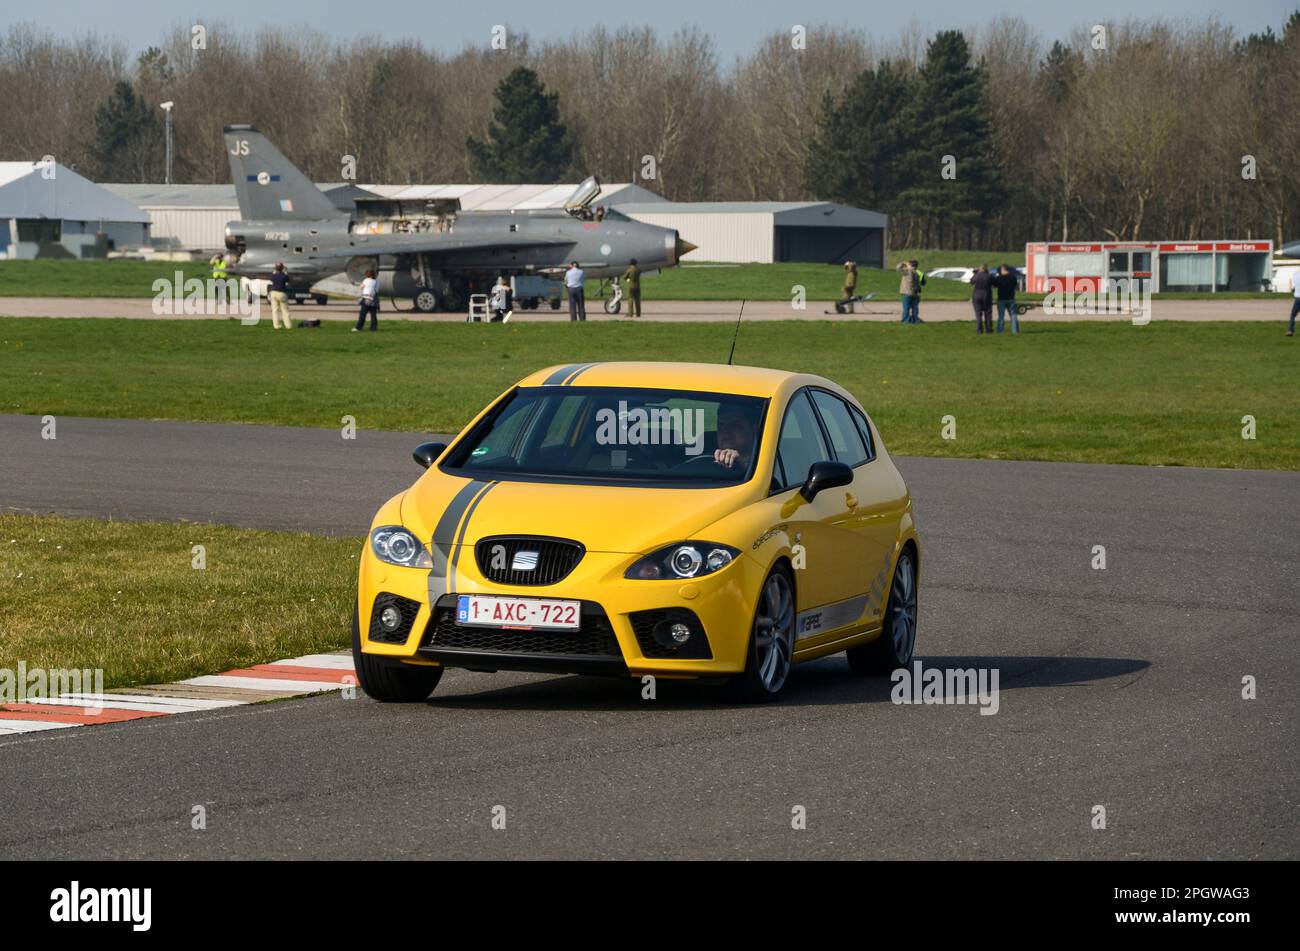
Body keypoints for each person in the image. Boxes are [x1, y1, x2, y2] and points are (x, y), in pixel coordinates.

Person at [713, 405, 757, 470]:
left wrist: (741, 461)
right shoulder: (704, 456)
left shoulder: (767, 459)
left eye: (735, 425)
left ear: (754, 429)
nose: (725, 430)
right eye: (721, 425)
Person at [993, 264, 1019, 333]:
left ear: (1003, 269)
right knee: (1013, 315)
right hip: (1011, 298)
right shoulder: (1013, 277)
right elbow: (1016, 286)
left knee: (1001, 315)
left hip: (1001, 299)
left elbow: (995, 285)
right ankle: (1015, 330)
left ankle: (1000, 330)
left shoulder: (999, 278)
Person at [971, 264, 994, 335]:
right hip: (987, 295)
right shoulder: (989, 276)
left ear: (980, 269)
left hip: (977, 296)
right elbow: (995, 283)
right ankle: (988, 329)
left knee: (978, 314)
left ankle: (979, 330)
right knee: (988, 313)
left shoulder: (977, 275)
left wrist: (976, 273)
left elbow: (971, 282)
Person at [268, 263, 292, 330]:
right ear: (282, 268)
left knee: (275, 310)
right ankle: (288, 325)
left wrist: (274, 271)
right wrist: (285, 272)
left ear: (276, 268)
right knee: (285, 310)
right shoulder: (284, 276)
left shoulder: (273, 276)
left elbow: (271, 277)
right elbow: (288, 280)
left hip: (273, 293)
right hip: (282, 293)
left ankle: (276, 326)